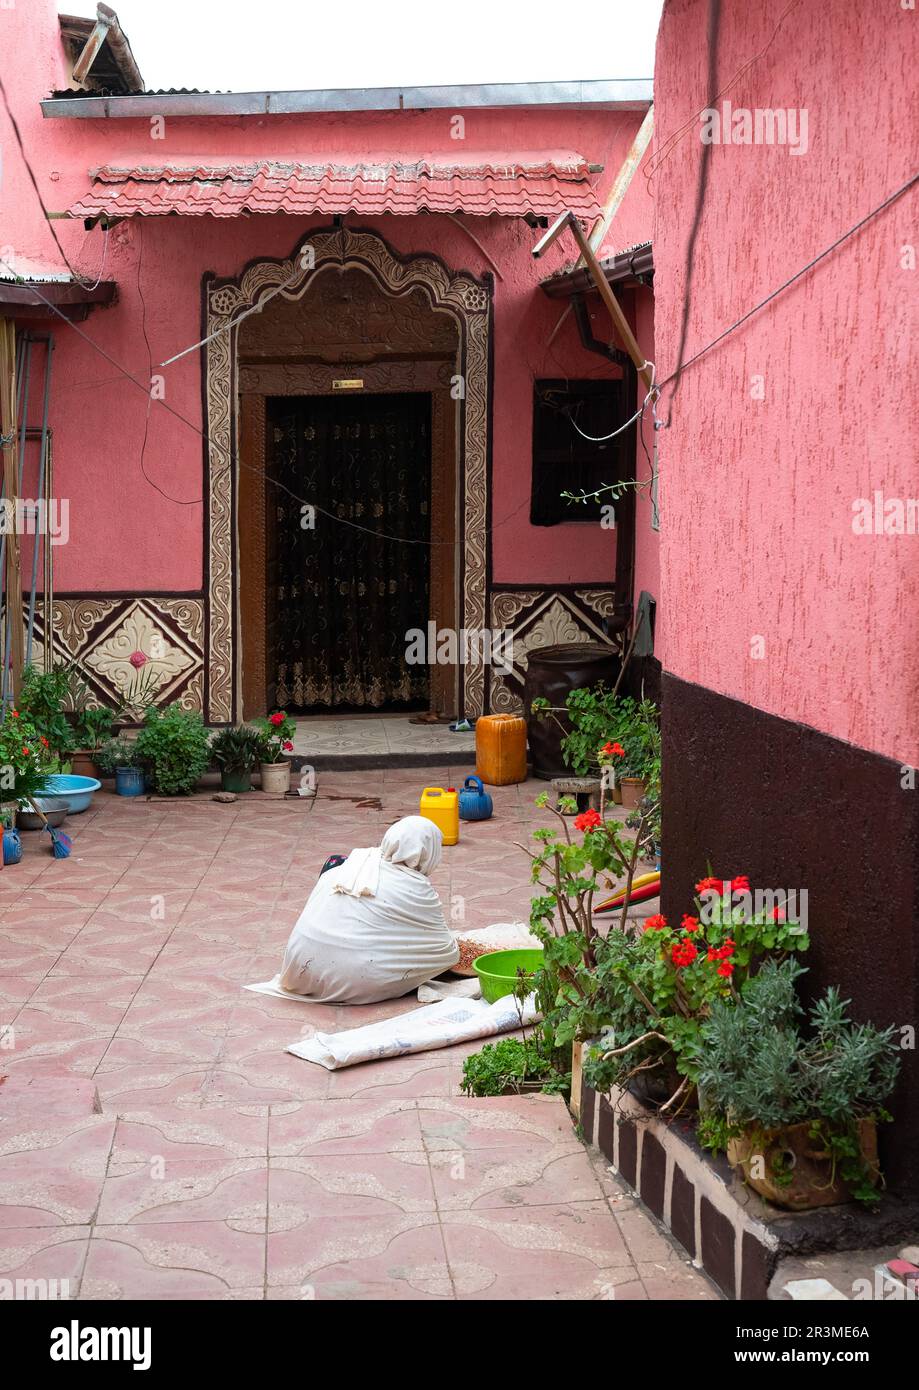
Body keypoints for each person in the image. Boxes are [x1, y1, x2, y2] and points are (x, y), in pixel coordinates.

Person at [278, 815, 459, 1004]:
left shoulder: (358, 859)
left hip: (298, 970)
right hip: (353, 981)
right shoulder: (417, 888)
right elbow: (445, 952)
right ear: (429, 852)